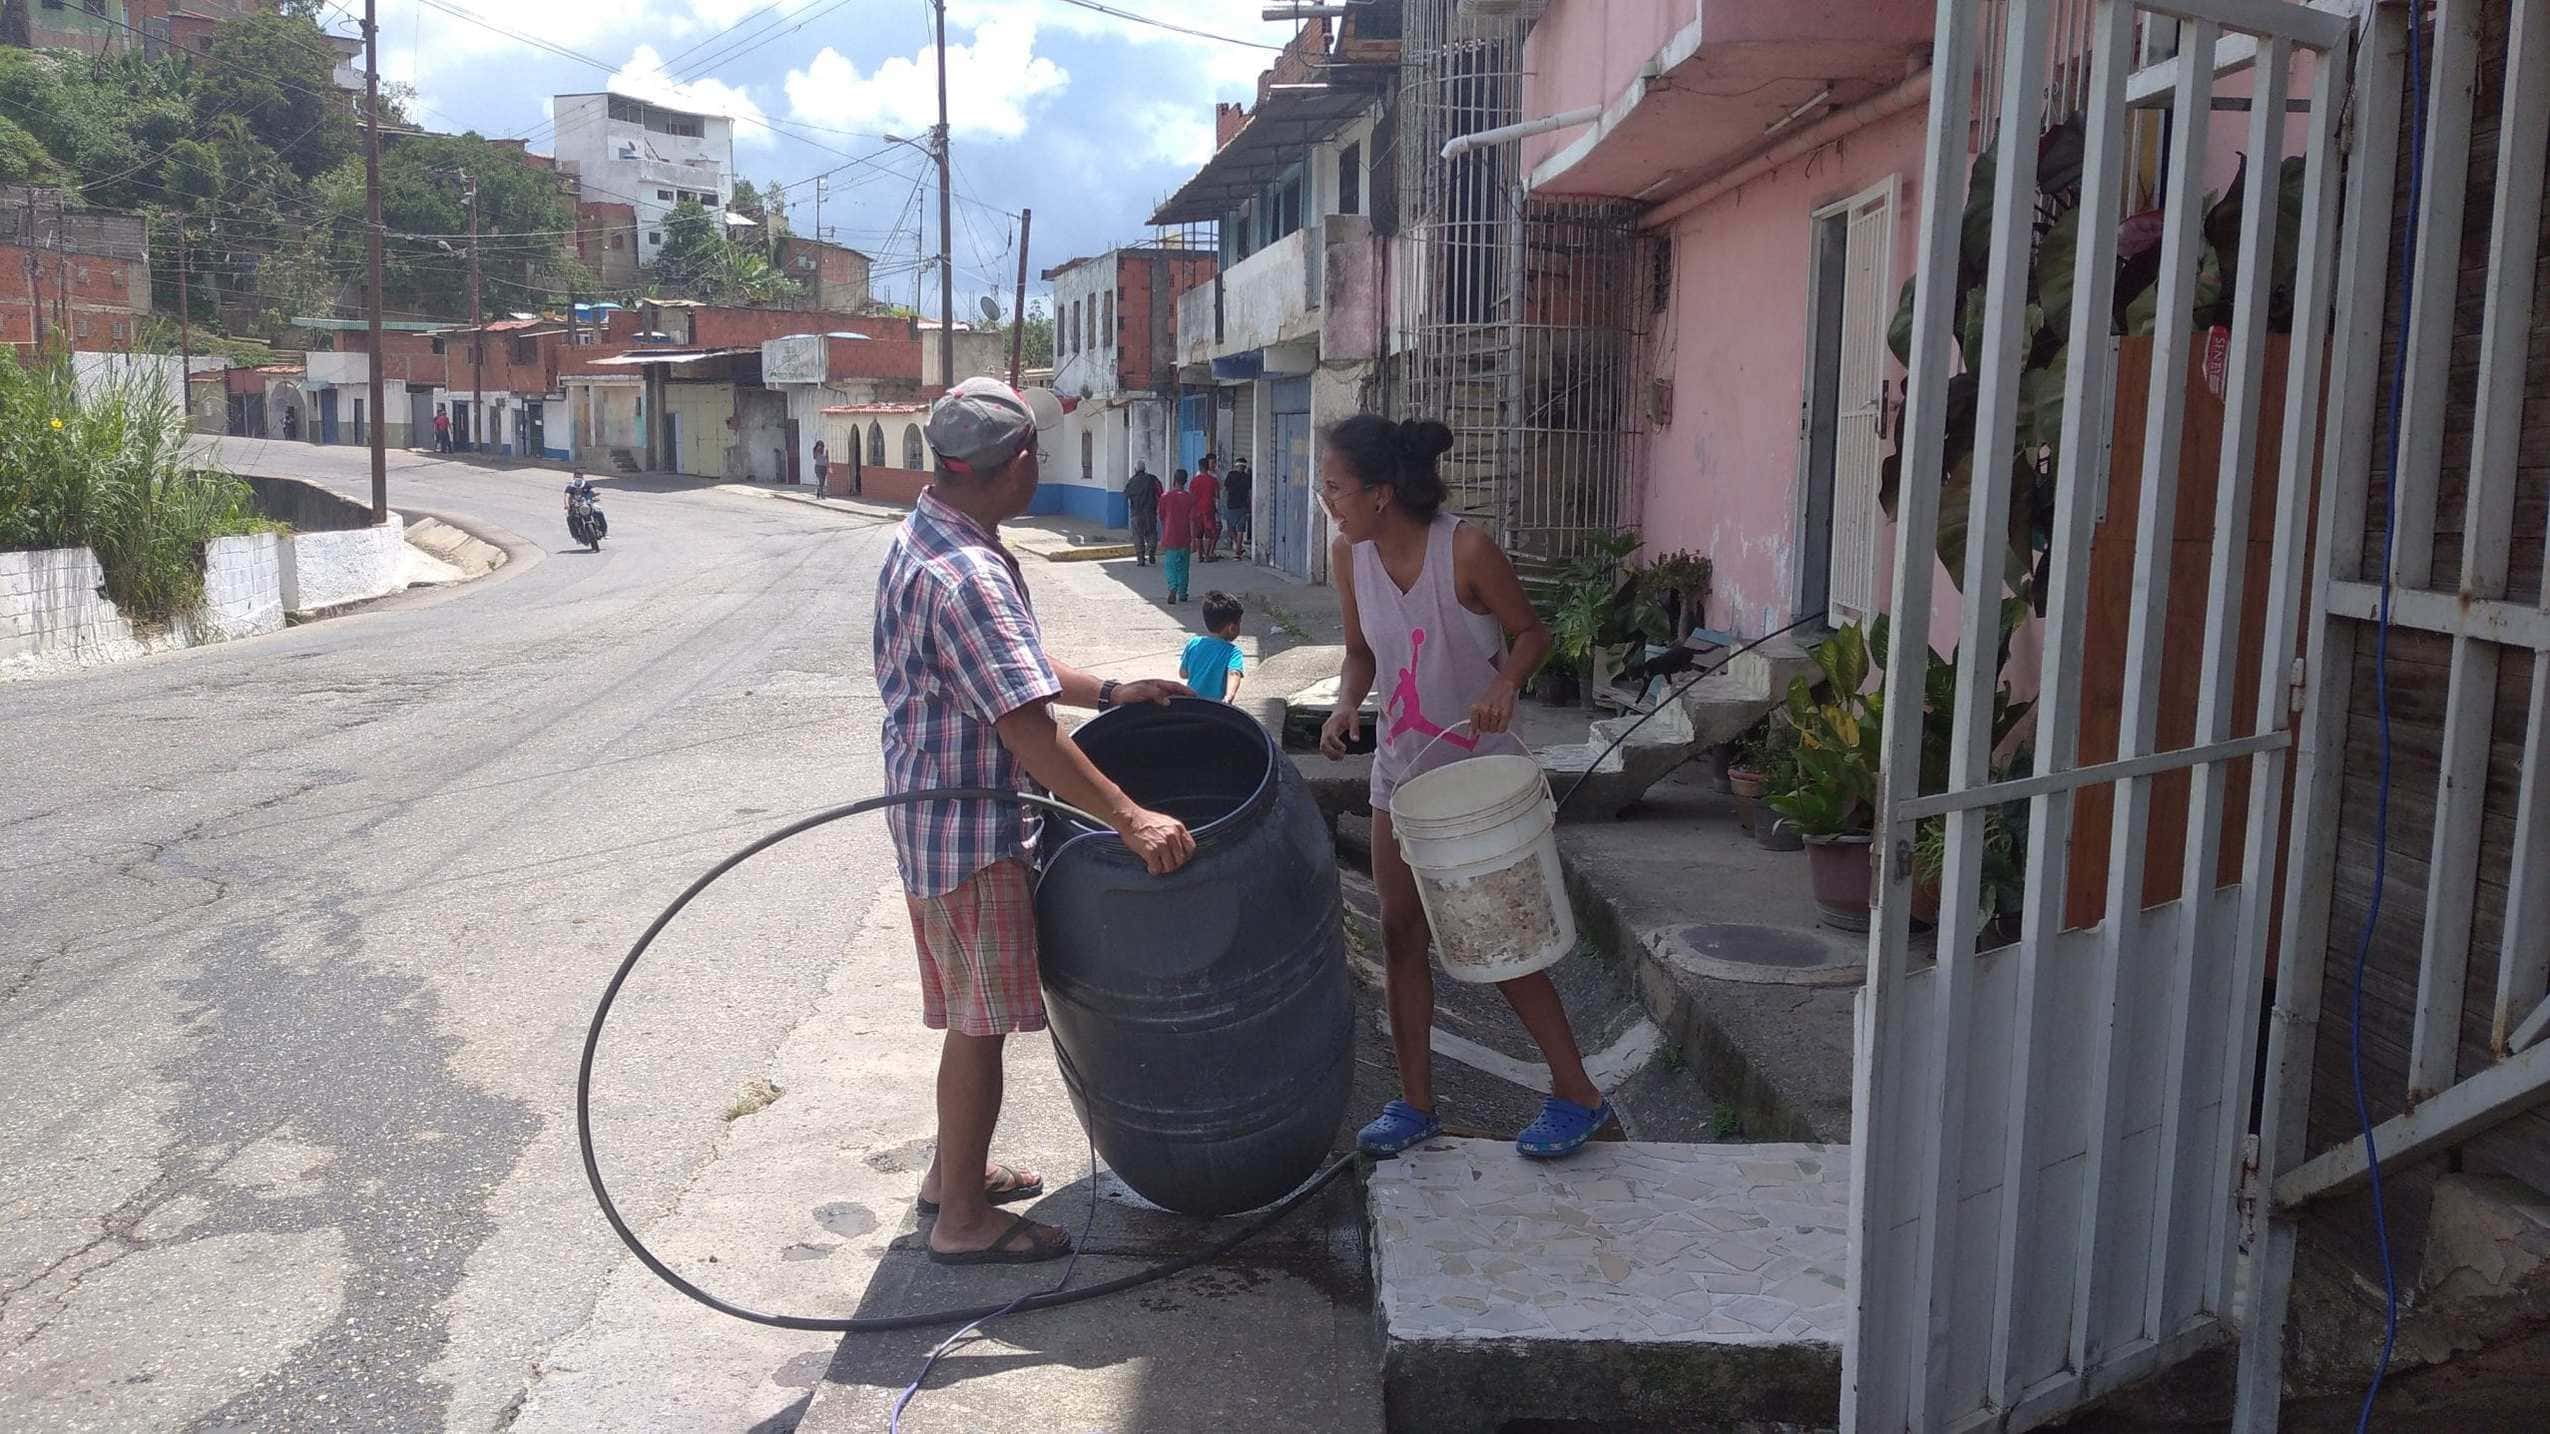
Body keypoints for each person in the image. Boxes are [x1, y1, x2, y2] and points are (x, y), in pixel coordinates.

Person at [874, 376, 1198, 1265]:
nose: (1038, 470)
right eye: (1037, 458)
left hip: (929, 815)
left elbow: (1009, 663)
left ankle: (952, 1177)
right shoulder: (970, 574)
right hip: (970, 831)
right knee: (979, 1025)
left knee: (967, 1015)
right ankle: (963, 1224)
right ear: (1014, 466)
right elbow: (1025, 730)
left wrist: (1112, 690)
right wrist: (1132, 820)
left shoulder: (929, 533)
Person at [1317, 413, 1610, 1160]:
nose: (1330, 503)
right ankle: (1416, 1104)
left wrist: (1508, 681)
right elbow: (1359, 653)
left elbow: (1533, 632)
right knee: (1399, 930)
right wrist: (1350, 702)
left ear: (1382, 493)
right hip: (1401, 776)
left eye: (1337, 489)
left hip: (1476, 784)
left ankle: (1577, 1092)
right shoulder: (1350, 556)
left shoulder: (1466, 549)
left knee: (1500, 940)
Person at [1181, 592, 1247, 705]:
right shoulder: (1233, 652)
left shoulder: (1194, 643)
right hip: (1216, 706)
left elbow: (1183, 673)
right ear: (1232, 627)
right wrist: (1229, 696)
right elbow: (1234, 673)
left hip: (1192, 702)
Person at [1157, 469, 1197, 603]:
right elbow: (1192, 520)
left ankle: (1172, 587)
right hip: (1185, 537)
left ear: (1174, 479)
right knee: (1184, 567)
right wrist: (1193, 540)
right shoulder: (1190, 498)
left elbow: (1161, 517)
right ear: (1186, 481)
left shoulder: (1165, 496)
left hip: (1170, 536)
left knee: (1170, 566)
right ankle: (1183, 593)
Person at [1124, 462, 1163, 567]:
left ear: (1136, 470)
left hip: (1136, 513)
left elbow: (1126, 495)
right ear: (1144, 469)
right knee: (1151, 533)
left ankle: (1140, 558)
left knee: (1138, 535)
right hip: (1150, 512)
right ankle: (1151, 551)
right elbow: (1160, 492)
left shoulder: (1131, 481)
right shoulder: (1152, 479)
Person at [1188, 455, 1221, 563]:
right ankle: (1207, 555)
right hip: (1209, 509)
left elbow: (1191, 496)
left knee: (1199, 534)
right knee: (1209, 533)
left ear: (1199, 467)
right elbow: (1217, 496)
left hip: (1196, 510)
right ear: (1208, 467)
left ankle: (1200, 556)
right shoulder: (1213, 480)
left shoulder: (1194, 481)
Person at [1221, 459, 1253, 561]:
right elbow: (1249, 491)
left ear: (1236, 466)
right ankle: (1238, 551)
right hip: (1243, 506)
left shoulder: (1231, 475)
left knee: (1231, 529)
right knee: (1240, 530)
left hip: (1231, 505)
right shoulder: (1247, 477)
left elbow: (1225, 488)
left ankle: (1238, 551)